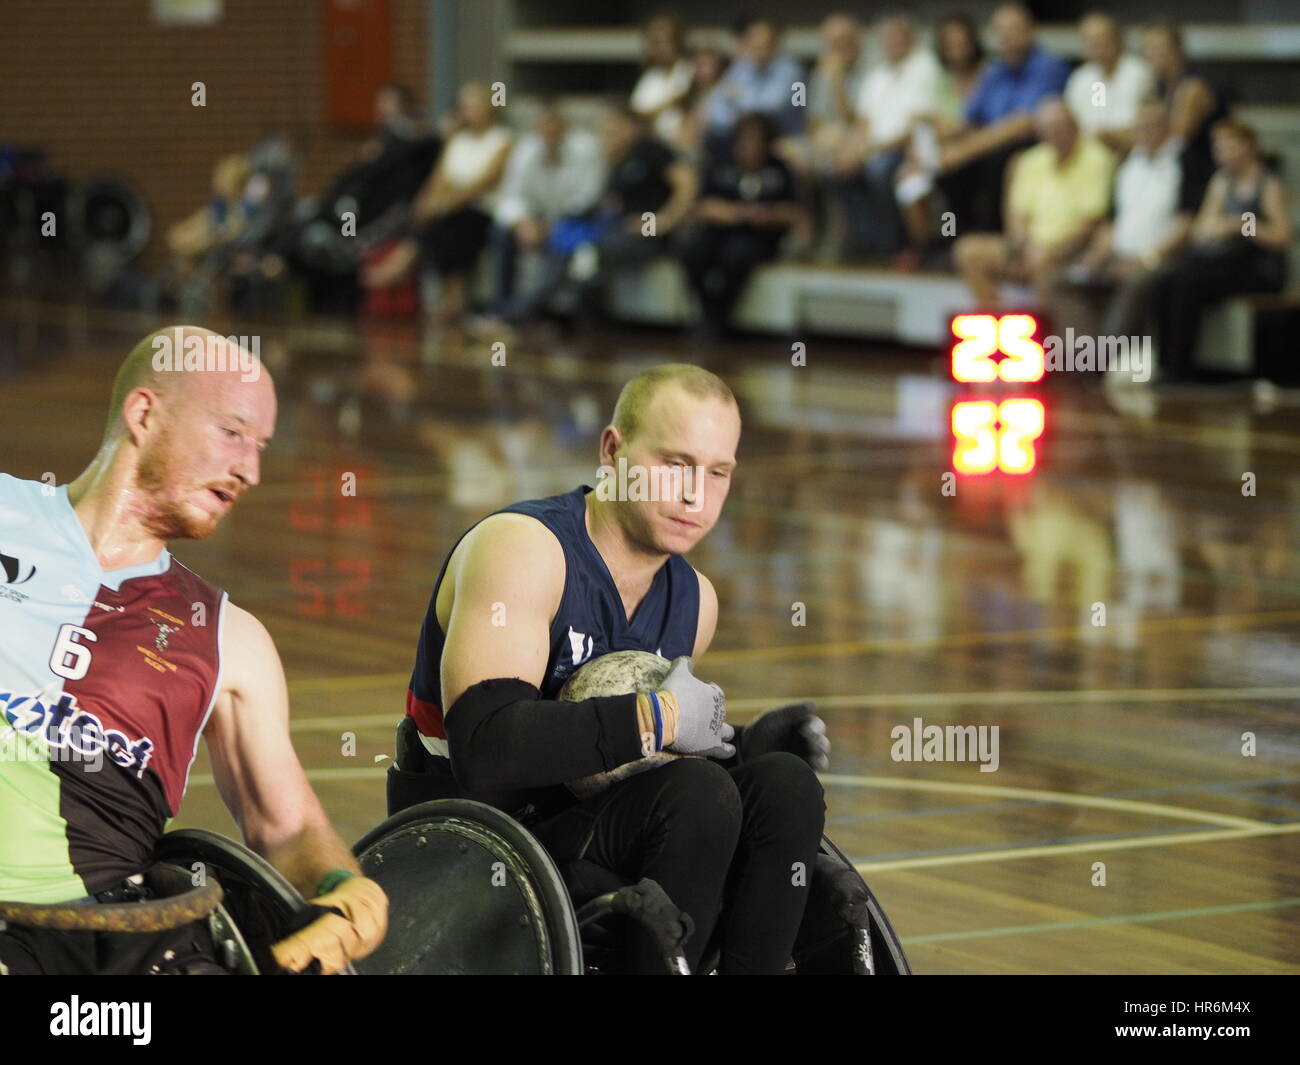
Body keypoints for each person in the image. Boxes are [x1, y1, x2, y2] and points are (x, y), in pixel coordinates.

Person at [389, 365, 830, 974]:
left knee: (783, 785)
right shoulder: (524, 548)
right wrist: (663, 716)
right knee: (695, 796)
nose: (695, 496)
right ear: (612, 451)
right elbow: (489, 754)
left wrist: (744, 747)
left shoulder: (696, 598)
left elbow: (626, 765)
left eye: (718, 473)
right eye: (676, 463)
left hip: (581, 833)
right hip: (473, 837)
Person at [0, 326, 387, 975]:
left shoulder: (229, 638)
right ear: (145, 414)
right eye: (233, 432)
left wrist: (343, 887)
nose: (251, 470)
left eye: (260, 447)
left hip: (109, 939)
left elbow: (286, 828)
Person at [499, 106, 695, 327]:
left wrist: (662, 221)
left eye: (613, 128)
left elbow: (687, 184)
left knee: (586, 250)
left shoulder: (651, 149)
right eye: (605, 129)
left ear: (631, 127)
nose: (607, 134)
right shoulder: (615, 161)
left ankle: (525, 313)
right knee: (566, 245)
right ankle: (556, 314)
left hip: (647, 235)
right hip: (617, 231)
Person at [1152, 120, 1292, 382]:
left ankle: (1181, 371)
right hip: (1221, 262)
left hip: (1258, 268)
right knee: (1169, 278)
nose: (1222, 152)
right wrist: (1225, 226)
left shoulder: (1268, 184)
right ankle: (1167, 365)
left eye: (1229, 145)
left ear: (1249, 147)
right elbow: (1202, 229)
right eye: (1218, 146)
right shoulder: (1221, 182)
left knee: (1190, 283)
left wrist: (1241, 225)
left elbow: (1281, 236)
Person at [912, 3, 1070, 236]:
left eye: (1013, 30)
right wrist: (928, 145)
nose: (1006, 38)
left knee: (994, 159)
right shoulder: (994, 72)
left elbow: (1021, 124)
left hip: (1028, 145)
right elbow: (968, 120)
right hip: (985, 144)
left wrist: (961, 152)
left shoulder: (1047, 67)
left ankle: (991, 235)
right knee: (946, 172)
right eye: (1000, 32)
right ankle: (953, 234)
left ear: (1030, 31)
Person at [364, 82, 513, 326]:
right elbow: (439, 177)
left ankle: (404, 270)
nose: (468, 111)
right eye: (465, 105)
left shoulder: (502, 139)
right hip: (448, 209)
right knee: (428, 220)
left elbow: (484, 182)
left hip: (482, 210)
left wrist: (444, 204)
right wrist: (425, 202)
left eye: (474, 105)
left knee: (449, 225)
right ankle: (451, 296)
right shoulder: (458, 140)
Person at [953, 98, 1114, 309]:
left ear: (1075, 126)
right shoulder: (1030, 160)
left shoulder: (1097, 159)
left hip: (1071, 248)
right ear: (1040, 133)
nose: (1056, 134)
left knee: (1042, 259)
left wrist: (1048, 249)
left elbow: (1091, 221)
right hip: (1028, 246)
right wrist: (1021, 245)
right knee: (968, 251)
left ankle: (1042, 334)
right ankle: (995, 325)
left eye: (1061, 127)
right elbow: (1017, 213)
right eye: (1049, 129)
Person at [1053, 100, 1194, 340]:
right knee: (1062, 281)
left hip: (1160, 259)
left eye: (1152, 127)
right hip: (1120, 255)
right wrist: (1097, 255)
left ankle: (1106, 358)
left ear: (1167, 128)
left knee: (1134, 282)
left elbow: (1188, 222)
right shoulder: (1128, 163)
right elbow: (1112, 219)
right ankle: (1082, 355)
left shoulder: (1185, 162)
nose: (1145, 133)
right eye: (1140, 128)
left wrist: (1149, 259)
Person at [679, 113, 802, 338]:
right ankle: (707, 309)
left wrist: (767, 215)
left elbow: (795, 212)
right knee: (690, 248)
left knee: (738, 255)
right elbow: (701, 205)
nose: (750, 148)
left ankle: (721, 317)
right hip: (720, 231)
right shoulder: (720, 164)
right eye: (745, 141)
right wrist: (732, 213)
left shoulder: (779, 169)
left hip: (759, 236)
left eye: (757, 142)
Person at [486, 100, 605, 318]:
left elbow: (588, 198)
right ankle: (501, 304)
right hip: (536, 217)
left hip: (574, 220)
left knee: (564, 242)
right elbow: (511, 195)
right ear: (537, 130)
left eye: (555, 127)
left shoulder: (587, 149)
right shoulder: (526, 150)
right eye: (545, 127)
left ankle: (523, 313)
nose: (550, 133)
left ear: (566, 128)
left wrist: (549, 227)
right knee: (502, 232)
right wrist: (523, 224)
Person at [840, 15, 943, 257]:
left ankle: (897, 245)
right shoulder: (876, 75)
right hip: (874, 148)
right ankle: (866, 242)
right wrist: (852, 150)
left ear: (912, 38)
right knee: (836, 170)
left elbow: (917, 126)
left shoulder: (925, 67)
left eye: (897, 37)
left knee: (880, 169)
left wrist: (869, 151)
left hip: (909, 148)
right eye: (886, 39)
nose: (891, 43)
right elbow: (862, 122)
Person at [1141, 20, 1229, 212]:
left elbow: (1177, 140)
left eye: (1157, 48)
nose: (1149, 55)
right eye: (1147, 49)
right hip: (1177, 174)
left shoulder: (1194, 86)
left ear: (1177, 51)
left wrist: (1133, 137)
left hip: (1205, 175)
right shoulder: (1158, 87)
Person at [702, 17, 805, 163]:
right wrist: (735, 119)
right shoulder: (740, 68)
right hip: (743, 137)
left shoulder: (792, 71)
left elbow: (771, 109)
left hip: (786, 138)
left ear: (775, 44)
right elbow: (716, 109)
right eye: (754, 43)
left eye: (764, 44)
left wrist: (737, 99)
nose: (759, 48)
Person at [1063, 13, 1155, 153]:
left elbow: (1145, 124)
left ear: (1118, 40)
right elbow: (1073, 125)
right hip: (1089, 152)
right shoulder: (1081, 78)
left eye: (1102, 39)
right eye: (1090, 41)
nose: (1097, 46)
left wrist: (1111, 137)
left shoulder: (1139, 73)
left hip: (1132, 150)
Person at [631, 14, 695, 145]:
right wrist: (670, 104)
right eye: (655, 42)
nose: (660, 48)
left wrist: (656, 111)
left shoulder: (691, 70)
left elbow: (687, 103)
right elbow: (639, 116)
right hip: (656, 145)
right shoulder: (650, 78)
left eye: (665, 41)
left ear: (677, 41)